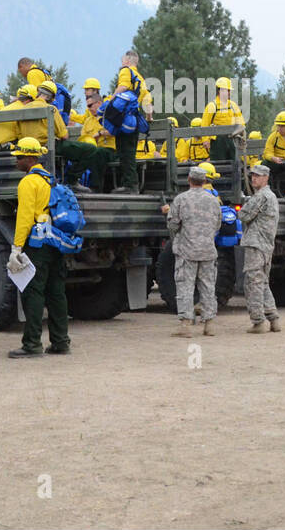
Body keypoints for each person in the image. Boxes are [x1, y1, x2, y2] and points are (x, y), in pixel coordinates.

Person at [6, 137, 72, 357]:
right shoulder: (50, 179)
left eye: (18, 157)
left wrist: (16, 247)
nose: (16, 162)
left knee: (33, 292)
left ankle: (32, 344)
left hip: (37, 242)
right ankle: (61, 342)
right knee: (57, 293)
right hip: (55, 240)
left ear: (28, 157)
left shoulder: (28, 182)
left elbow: (25, 217)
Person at [162, 164, 222, 337]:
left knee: (185, 288)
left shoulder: (181, 199)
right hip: (208, 250)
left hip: (187, 251)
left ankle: (186, 326)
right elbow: (218, 223)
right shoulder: (213, 200)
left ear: (189, 180)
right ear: (204, 181)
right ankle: (209, 324)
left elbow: (173, 225)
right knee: (208, 287)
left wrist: (168, 213)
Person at [239, 163, 281, 333]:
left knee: (253, 283)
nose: (253, 178)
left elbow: (244, 215)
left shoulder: (261, 196)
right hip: (265, 245)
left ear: (266, 178)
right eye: (252, 176)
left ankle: (258, 321)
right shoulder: (270, 196)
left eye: (257, 176)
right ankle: (273, 318)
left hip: (256, 244)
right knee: (262, 282)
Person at [106, 50, 152, 194]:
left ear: (127, 60)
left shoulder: (126, 71)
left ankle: (130, 186)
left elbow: (123, 86)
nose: (121, 63)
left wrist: (111, 101)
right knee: (130, 152)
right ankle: (131, 185)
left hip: (124, 118)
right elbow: (147, 100)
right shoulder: (140, 78)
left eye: (122, 60)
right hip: (135, 121)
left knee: (124, 152)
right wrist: (149, 117)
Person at [60, 94, 117, 193]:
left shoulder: (109, 116)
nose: (88, 108)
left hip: (110, 149)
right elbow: (83, 138)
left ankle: (95, 188)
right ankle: (71, 183)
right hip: (93, 150)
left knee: (98, 153)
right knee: (80, 152)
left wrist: (101, 133)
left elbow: (116, 130)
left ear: (99, 103)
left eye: (90, 105)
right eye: (87, 106)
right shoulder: (88, 121)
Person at [202, 76, 244, 161]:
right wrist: (205, 140)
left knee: (234, 163)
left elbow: (241, 122)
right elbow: (204, 124)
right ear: (219, 90)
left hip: (232, 139)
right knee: (218, 164)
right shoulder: (212, 106)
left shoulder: (233, 105)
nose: (228, 93)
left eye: (229, 91)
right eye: (226, 90)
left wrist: (240, 132)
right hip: (218, 141)